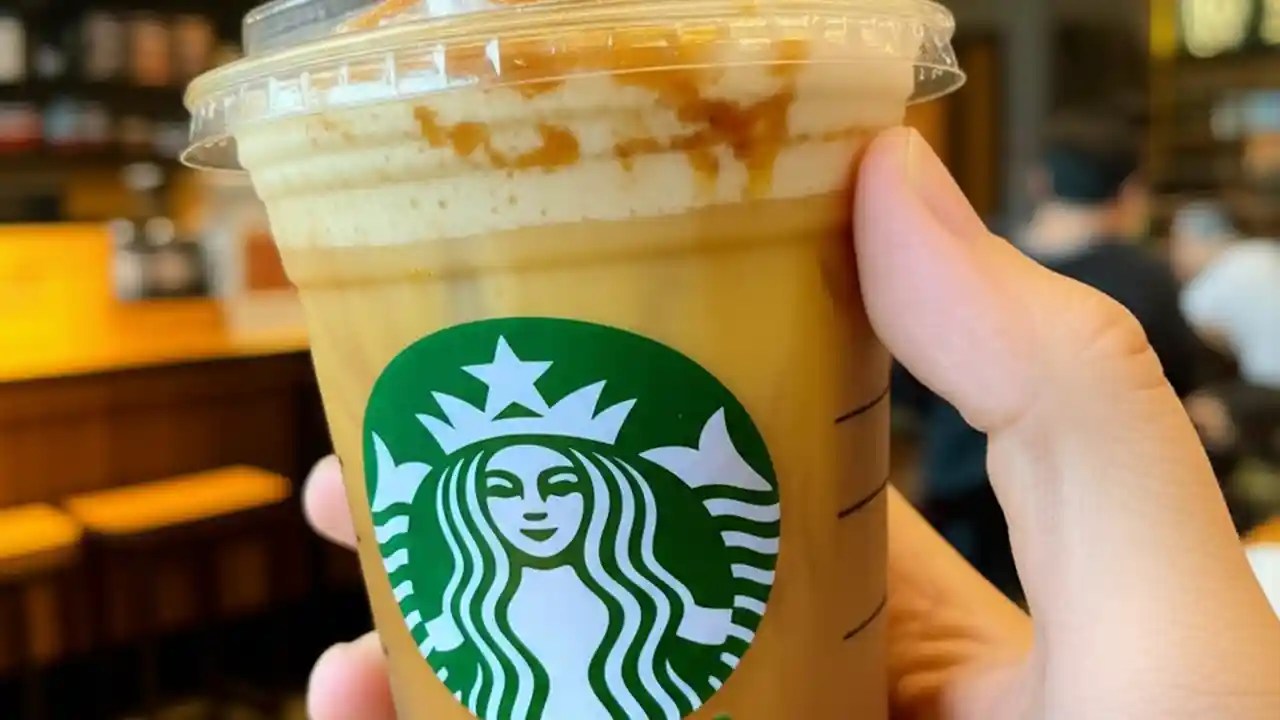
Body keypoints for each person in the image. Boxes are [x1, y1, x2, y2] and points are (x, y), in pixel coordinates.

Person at [301, 130, 1280, 719]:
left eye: (559, 480)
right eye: (503, 487)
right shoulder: (477, 617)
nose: (532, 508)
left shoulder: (667, 614)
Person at [895, 107, 1202, 598]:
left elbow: (907, 382)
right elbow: (1178, 385)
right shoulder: (1141, 279)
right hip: (1085, 523)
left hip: (958, 509)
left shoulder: (966, 256)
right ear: (1130, 192)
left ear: (1038, 181)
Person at [1171, 201, 1280, 468]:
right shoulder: (1266, 252)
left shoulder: (1211, 283)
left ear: (1193, 241)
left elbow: (1193, 341)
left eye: (1178, 244)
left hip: (1271, 386)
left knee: (1195, 411)